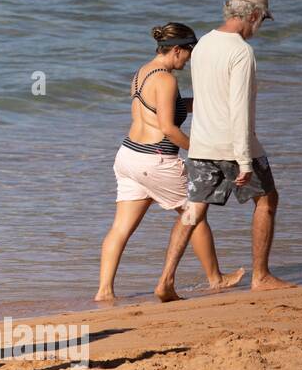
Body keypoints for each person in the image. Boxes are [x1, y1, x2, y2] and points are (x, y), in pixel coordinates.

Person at [156, 0, 295, 297]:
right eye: (262, 20)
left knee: (193, 211)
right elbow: (239, 108)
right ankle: (260, 275)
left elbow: (207, 97)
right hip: (234, 144)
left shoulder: (203, 43)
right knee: (267, 201)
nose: (260, 27)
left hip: (202, 143)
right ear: (254, 16)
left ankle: (165, 280)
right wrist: (244, 160)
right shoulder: (241, 51)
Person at [98, 23, 244, 302]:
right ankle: (216, 279)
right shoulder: (166, 80)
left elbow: (161, 107)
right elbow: (168, 128)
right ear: (177, 49)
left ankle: (104, 292)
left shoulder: (142, 73)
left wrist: (207, 101)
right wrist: (202, 150)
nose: (189, 60)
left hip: (129, 157)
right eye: (188, 53)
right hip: (156, 160)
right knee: (195, 214)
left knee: (120, 229)